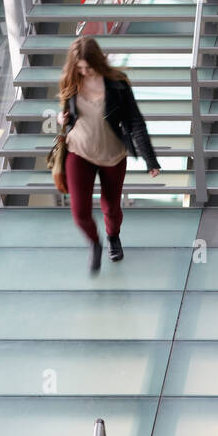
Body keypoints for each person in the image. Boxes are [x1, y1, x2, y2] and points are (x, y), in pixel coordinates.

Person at [56, 37, 161, 271]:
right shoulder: (70, 79)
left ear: (98, 61)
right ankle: (95, 243)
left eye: (88, 67)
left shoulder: (118, 83)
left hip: (112, 154)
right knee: (79, 212)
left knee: (111, 207)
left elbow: (135, 122)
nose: (84, 72)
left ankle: (113, 237)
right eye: (79, 68)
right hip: (78, 151)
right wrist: (60, 119)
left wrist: (150, 159)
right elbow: (65, 112)